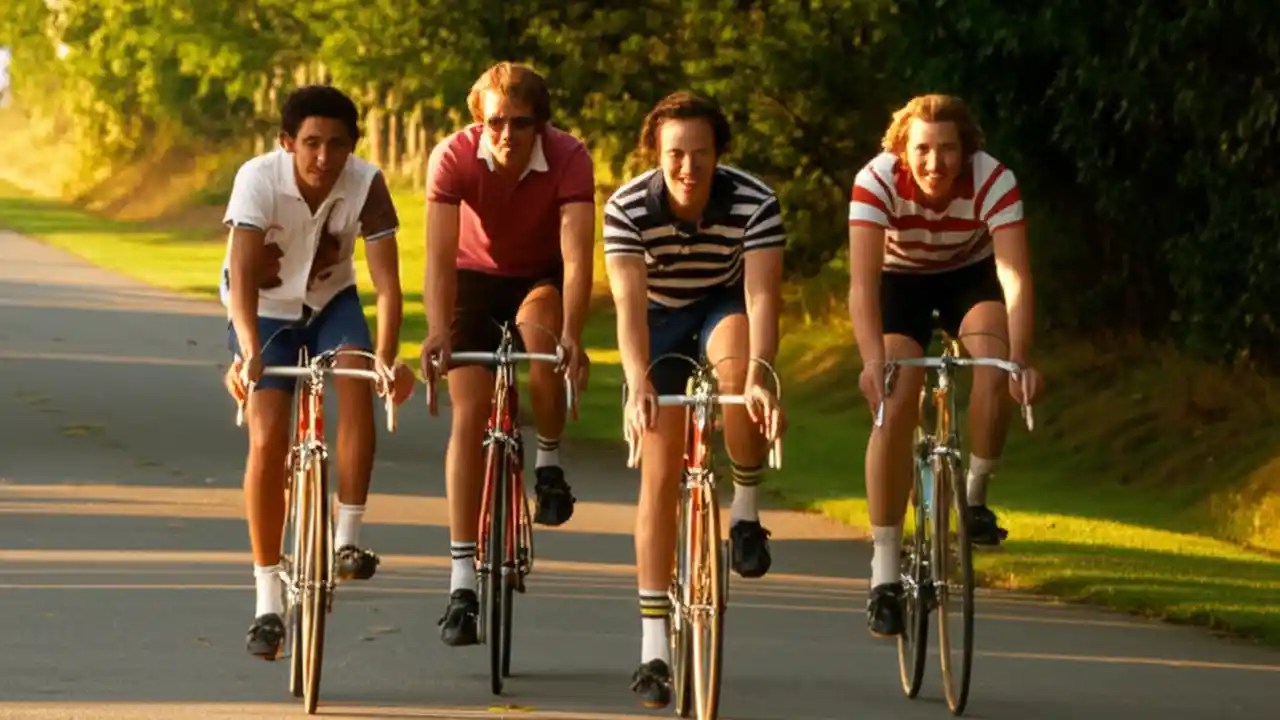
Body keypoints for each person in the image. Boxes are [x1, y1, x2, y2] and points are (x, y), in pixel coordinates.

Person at [603, 91, 786, 708]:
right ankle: (654, 646)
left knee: (738, 370)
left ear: (718, 155)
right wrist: (638, 386)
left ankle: (745, 511)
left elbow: (762, 299)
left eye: (700, 154)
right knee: (659, 470)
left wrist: (761, 374)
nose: (687, 168)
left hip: (721, 306)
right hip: (656, 319)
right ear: (656, 153)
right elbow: (628, 307)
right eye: (675, 154)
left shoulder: (755, 202)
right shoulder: (627, 207)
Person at [220, 84, 415, 659]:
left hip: (332, 305)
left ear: (352, 146)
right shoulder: (257, 178)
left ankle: (347, 541)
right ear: (287, 143)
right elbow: (240, 275)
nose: (324, 157)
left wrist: (385, 357)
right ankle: (266, 603)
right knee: (268, 437)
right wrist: (250, 351)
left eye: (336, 144)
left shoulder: (367, 183)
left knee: (356, 377)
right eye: (310, 143)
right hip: (265, 310)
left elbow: (387, 285)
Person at [847, 94, 1045, 638]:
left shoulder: (993, 180)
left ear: (967, 149)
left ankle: (975, 492)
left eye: (948, 149)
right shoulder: (876, 181)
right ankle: (884, 574)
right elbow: (862, 285)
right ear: (902, 151)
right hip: (898, 281)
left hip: (968, 274)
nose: (936, 163)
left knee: (993, 356)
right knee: (895, 394)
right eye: (924, 150)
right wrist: (870, 361)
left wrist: (1020, 360)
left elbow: (1015, 278)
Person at [421, 62, 595, 648]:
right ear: (479, 119)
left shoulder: (569, 156)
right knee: (469, 413)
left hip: (540, 279)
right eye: (496, 121)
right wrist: (438, 330)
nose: (508, 134)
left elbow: (576, 259)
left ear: (541, 125)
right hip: (473, 278)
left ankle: (547, 462)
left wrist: (574, 333)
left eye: (522, 123)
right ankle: (463, 582)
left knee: (542, 347)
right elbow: (439, 257)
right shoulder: (452, 157)